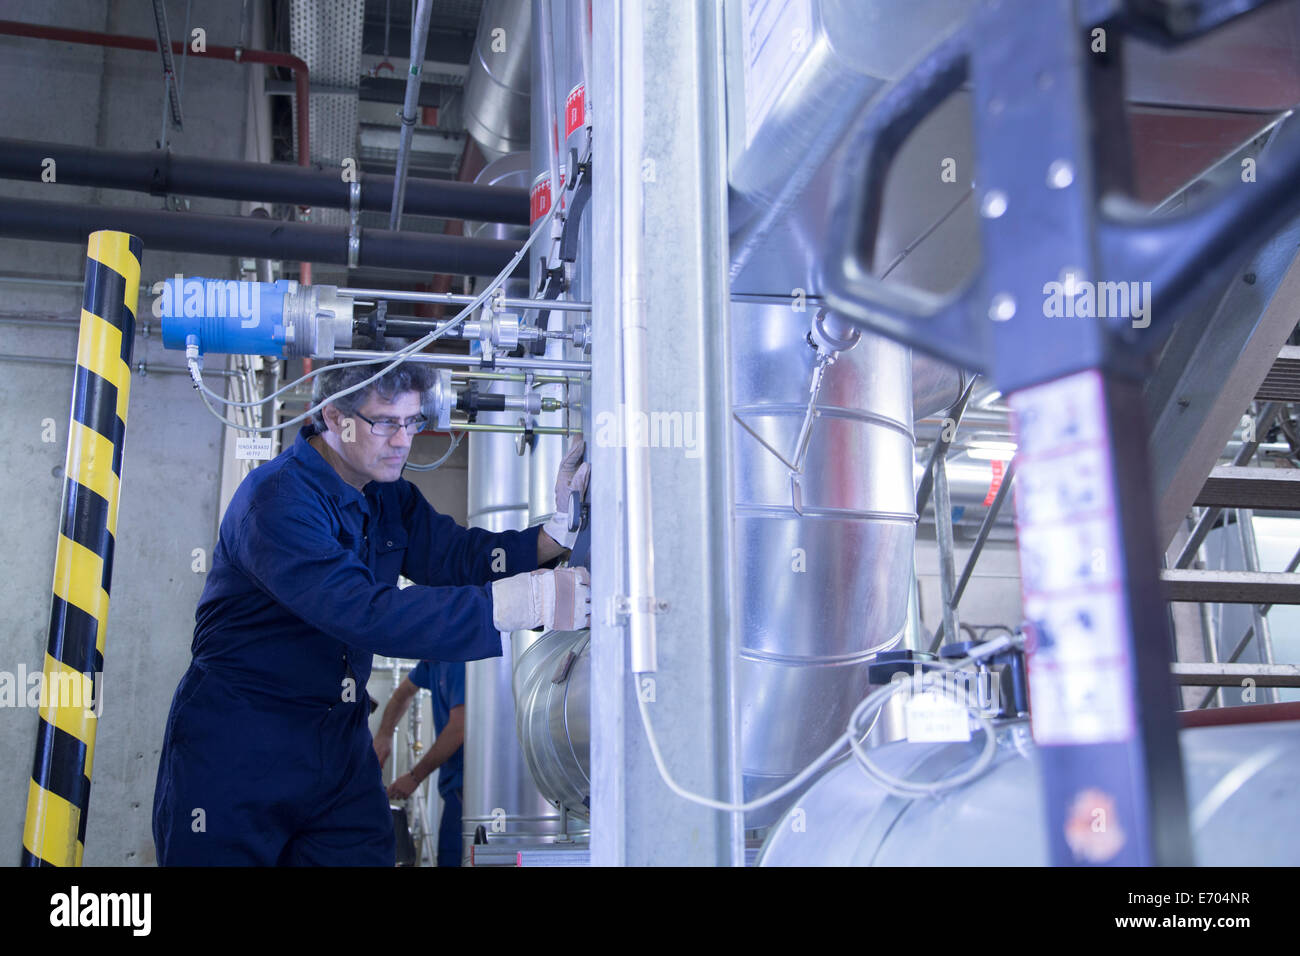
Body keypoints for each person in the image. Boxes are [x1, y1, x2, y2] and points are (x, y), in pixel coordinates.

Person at [152, 361, 590, 866]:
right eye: (385, 422)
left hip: (337, 740)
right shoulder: (276, 501)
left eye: (412, 421)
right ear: (334, 418)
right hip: (241, 740)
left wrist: (552, 536)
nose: (403, 441)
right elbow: (365, 611)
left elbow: (455, 555)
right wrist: (519, 604)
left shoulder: (387, 494)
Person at [376, 661, 465, 867]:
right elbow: (402, 694)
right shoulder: (431, 663)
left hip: (471, 791)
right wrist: (384, 735)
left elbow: (459, 727)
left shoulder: (458, 661)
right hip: (454, 789)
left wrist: (414, 777)